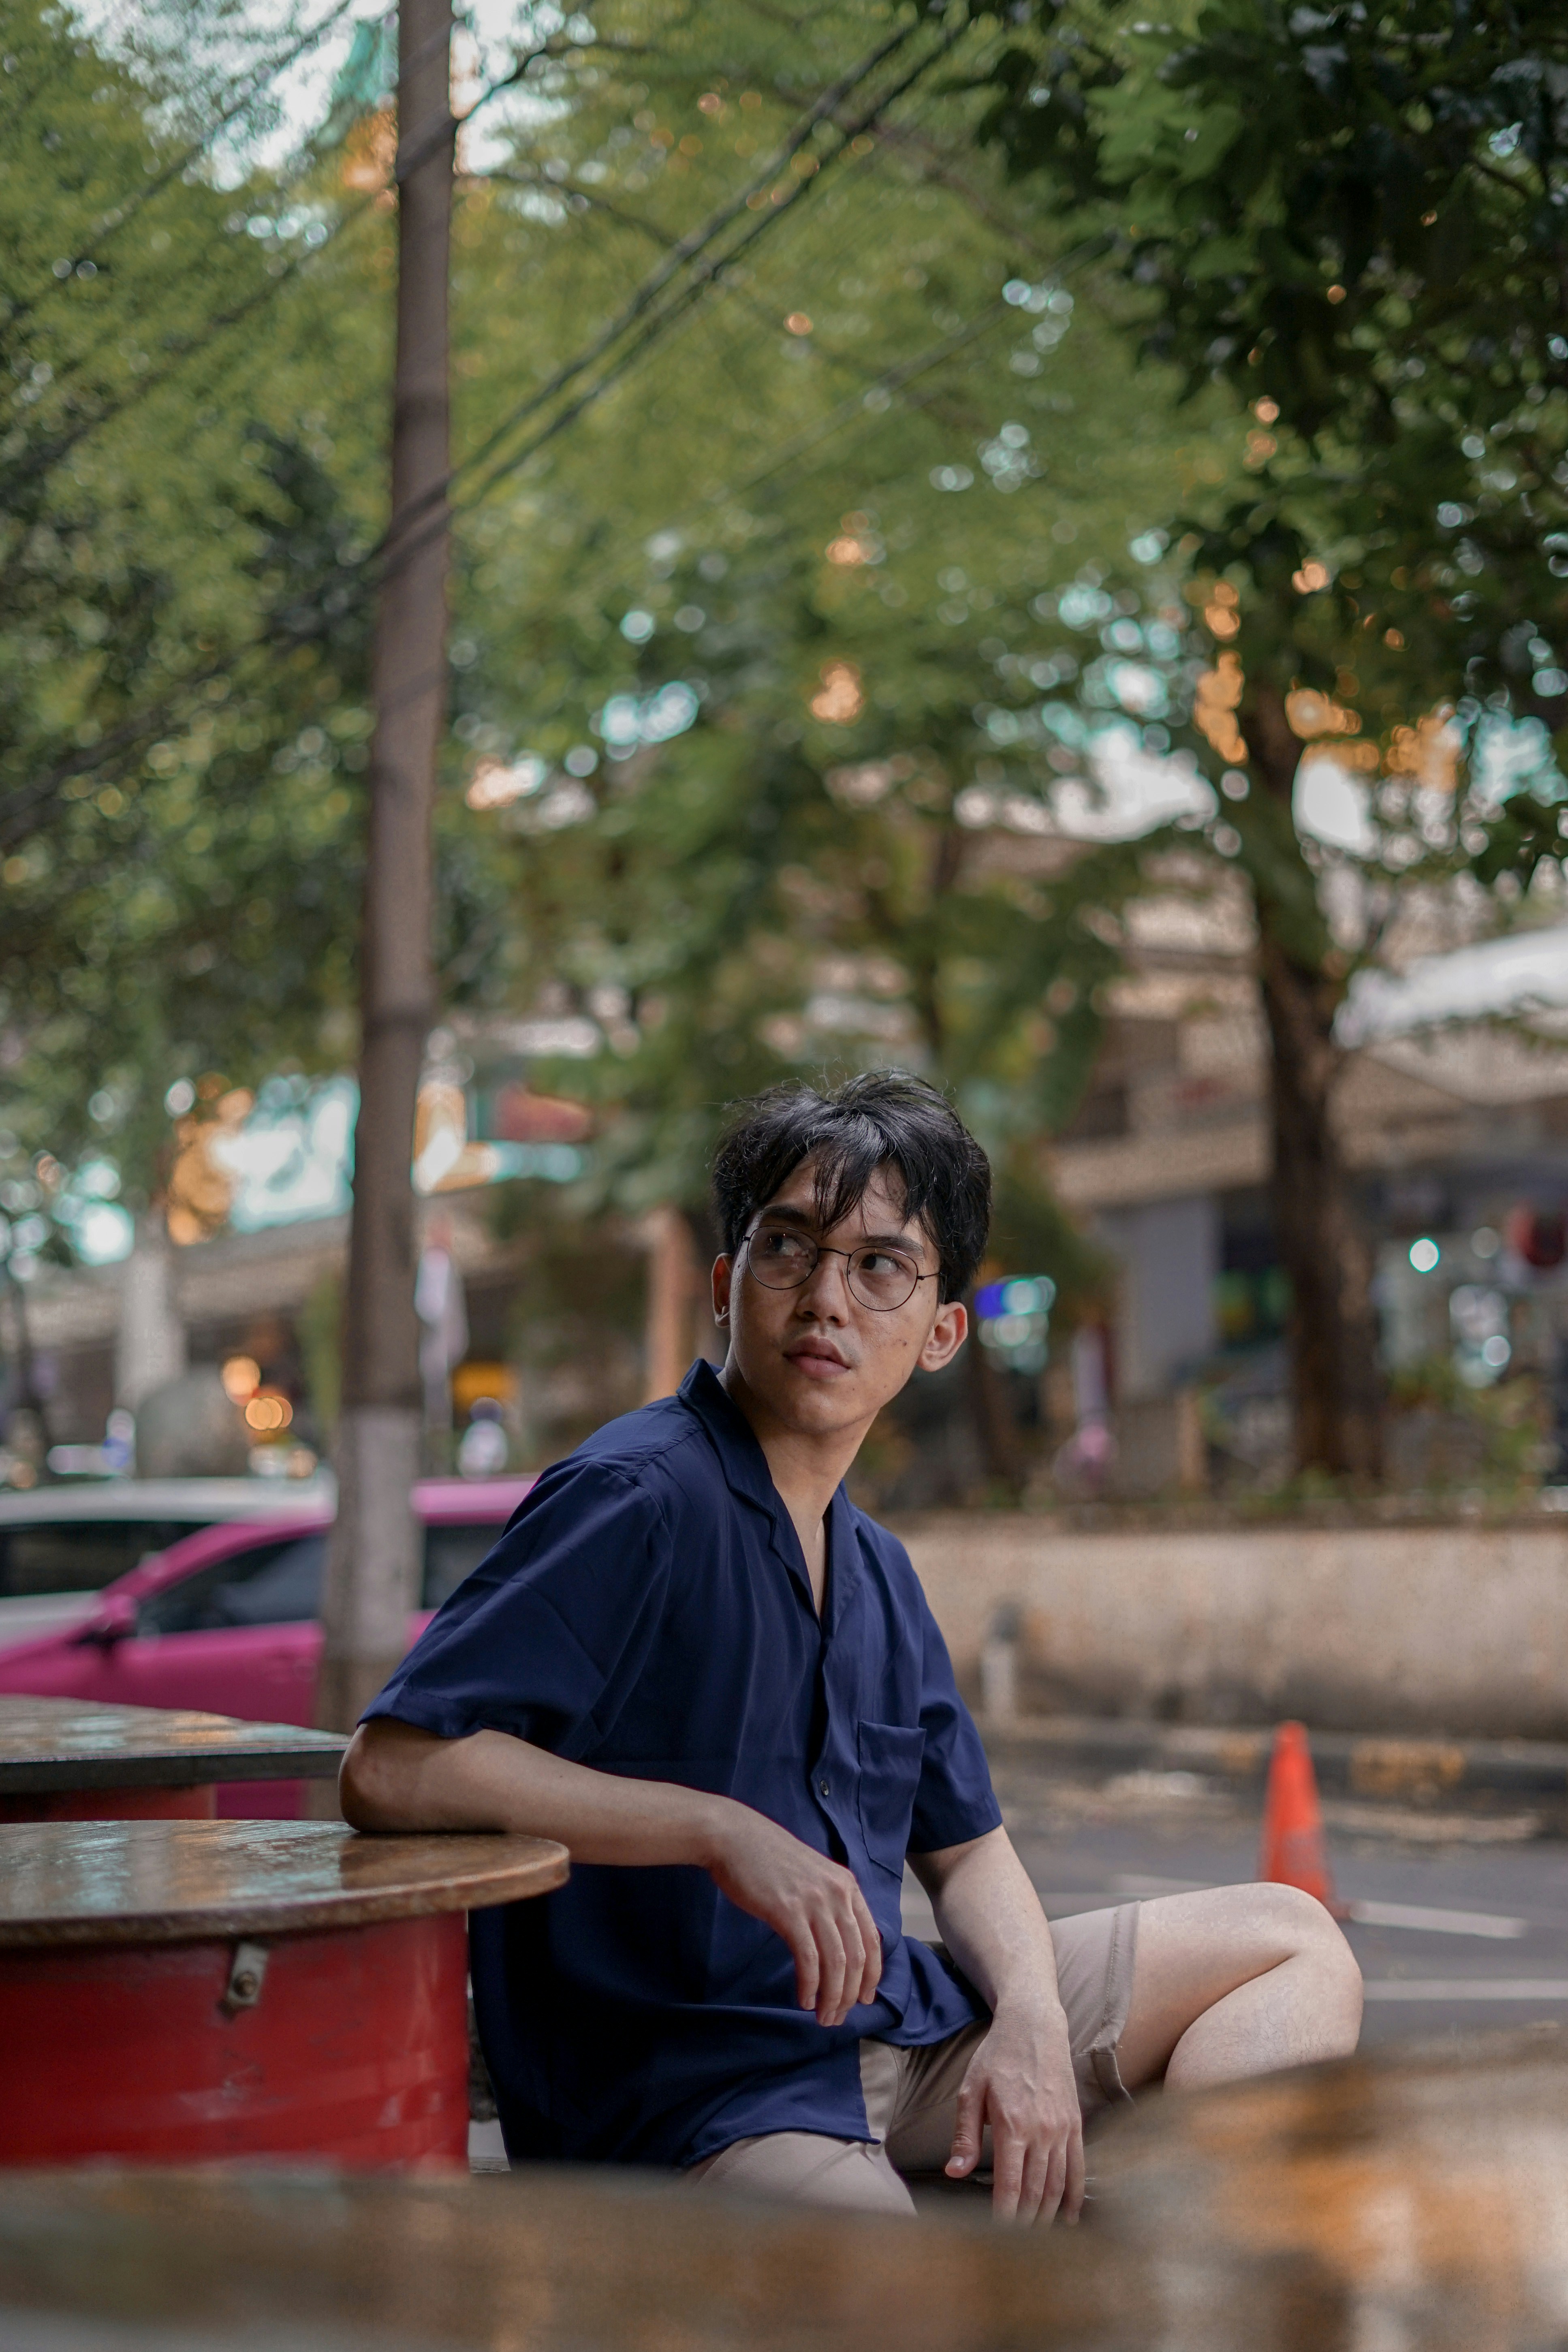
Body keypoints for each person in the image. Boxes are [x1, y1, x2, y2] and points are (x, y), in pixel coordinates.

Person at [340, 1072, 1362, 2223]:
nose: (826, 1297)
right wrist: (716, 1831)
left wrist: (1028, 2021)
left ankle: (1171, 2260)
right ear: (728, 1287)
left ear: (939, 1334)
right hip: (696, 2095)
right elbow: (389, 1765)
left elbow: (968, 1857)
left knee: (1292, 1941)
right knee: (892, 2294)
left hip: (887, 2036)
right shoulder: (637, 1498)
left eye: (879, 1265)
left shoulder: (872, 1567)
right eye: (789, 1248)